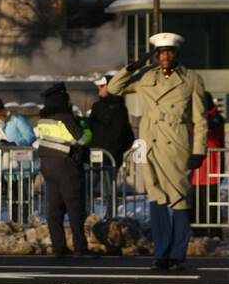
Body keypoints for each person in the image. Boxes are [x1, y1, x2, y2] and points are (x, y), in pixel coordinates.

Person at [107, 33, 207, 271]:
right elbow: (113, 88)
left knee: (180, 200)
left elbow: (200, 119)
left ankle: (178, 253)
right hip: (151, 143)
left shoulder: (191, 79)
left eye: (169, 52)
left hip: (177, 144)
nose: (165, 56)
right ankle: (161, 253)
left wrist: (198, 150)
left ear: (176, 54)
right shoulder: (145, 75)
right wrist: (132, 67)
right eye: (160, 53)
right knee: (157, 199)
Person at [34, 83, 93, 257]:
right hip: (66, 165)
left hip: (48, 166)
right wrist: (86, 128)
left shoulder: (44, 119)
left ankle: (59, 247)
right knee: (75, 207)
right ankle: (80, 248)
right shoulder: (65, 117)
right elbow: (82, 139)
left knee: (55, 209)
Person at [190, 91, 226, 238]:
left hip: (211, 169)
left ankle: (215, 235)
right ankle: (198, 235)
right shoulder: (193, 117)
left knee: (211, 206)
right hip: (194, 171)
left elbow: (210, 133)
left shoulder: (215, 119)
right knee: (195, 206)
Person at [87, 73, 134, 166]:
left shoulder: (119, 108)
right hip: (96, 155)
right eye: (98, 86)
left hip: (111, 156)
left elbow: (120, 132)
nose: (99, 88)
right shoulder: (97, 106)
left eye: (102, 86)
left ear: (111, 86)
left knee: (106, 179)